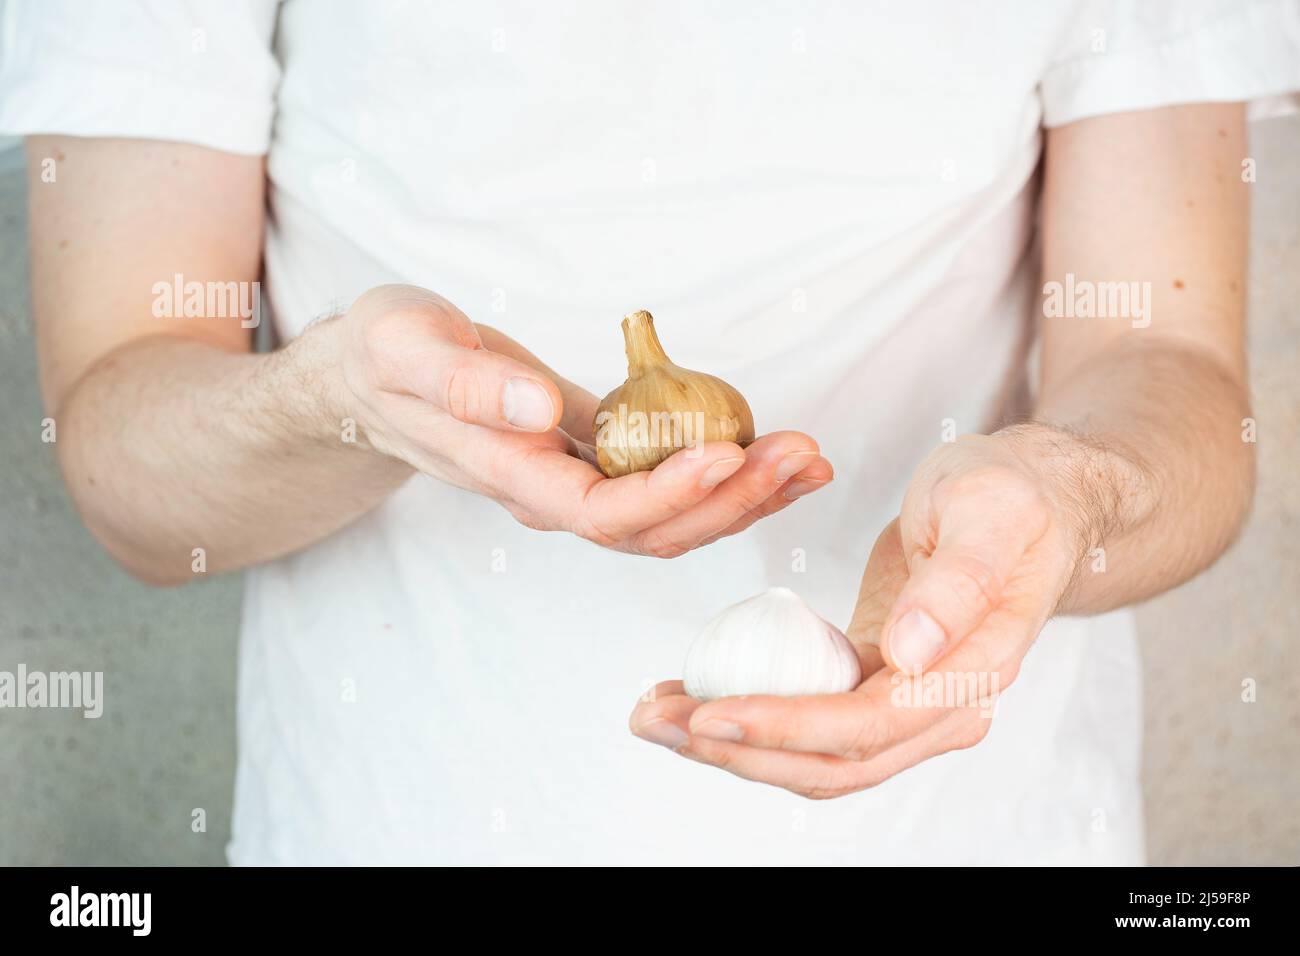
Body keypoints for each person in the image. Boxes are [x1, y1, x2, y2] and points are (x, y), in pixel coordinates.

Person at [2, 0, 1297, 865]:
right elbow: (128, 452)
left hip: (983, 832)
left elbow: (1167, 364)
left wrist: (1071, 490)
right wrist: (336, 401)